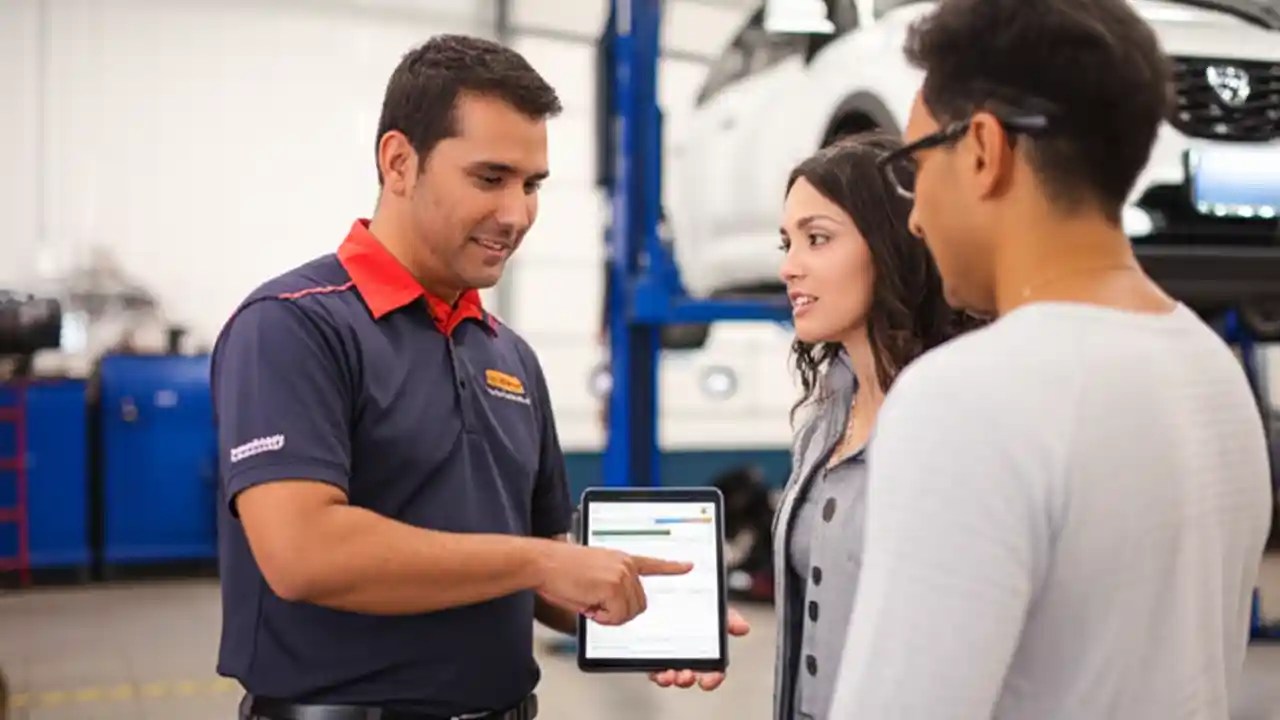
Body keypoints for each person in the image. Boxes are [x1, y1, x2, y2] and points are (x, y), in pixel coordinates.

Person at [212, 35, 690, 720]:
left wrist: (652, 617)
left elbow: (543, 573)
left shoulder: (509, 356)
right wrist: (541, 563)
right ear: (399, 163)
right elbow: (303, 553)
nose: (517, 215)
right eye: (490, 179)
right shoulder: (293, 326)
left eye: (532, 185)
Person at [827, 1, 1274, 718]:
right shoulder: (1212, 373)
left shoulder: (962, 399)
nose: (913, 215)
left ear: (982, 150)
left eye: (915, 167)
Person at [649, 134, 980, 716]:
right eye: (788, 243)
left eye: (817, 239)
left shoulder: (961, 422)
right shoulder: (824, 419)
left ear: (894, 243)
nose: (788, 267)